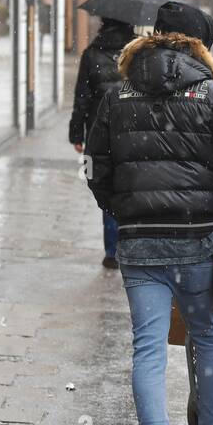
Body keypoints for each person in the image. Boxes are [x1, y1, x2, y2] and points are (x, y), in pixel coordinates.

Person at [86, 0, 213, 425]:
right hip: (198, 236)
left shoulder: (117, 95)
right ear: (198, 47)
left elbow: (98, 168)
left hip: (140, 244)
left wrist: (123, 211)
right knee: (206, 334)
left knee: (148, 347)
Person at [69, 18, 135, 269]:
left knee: (106, 190)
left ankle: (112, 252)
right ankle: (130, 245)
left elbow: (82, 98)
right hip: (132, 132)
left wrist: (77, 134)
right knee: (131, 189)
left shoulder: (91, 54)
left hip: (100, 134)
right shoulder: (137, 53)